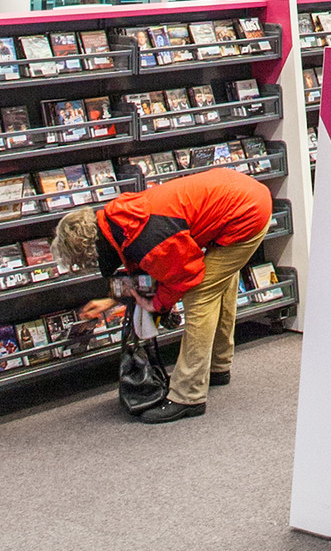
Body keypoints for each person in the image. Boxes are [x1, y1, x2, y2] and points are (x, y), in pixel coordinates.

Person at [52, 162, 273, 424]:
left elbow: (185, 275)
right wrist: (110, 301)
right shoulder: (118, 218)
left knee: (200, 296)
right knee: (219, 285)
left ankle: (188, 396)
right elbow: (150, 266)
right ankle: (218, 367)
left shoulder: (148, 237)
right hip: (238, 194)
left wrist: (158, 304)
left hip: (246, 214)